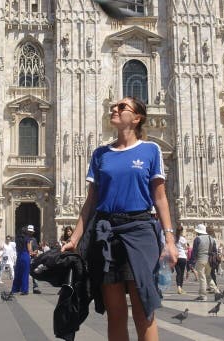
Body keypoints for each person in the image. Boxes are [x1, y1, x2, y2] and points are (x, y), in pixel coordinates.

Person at [62, 96, 178, 341]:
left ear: (137, 118)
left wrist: (169, 241)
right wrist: (74, 239)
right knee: (115, 313)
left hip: (140, 230)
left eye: (122, 107)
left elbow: (160, 198)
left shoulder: (150, 150)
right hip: (106, 233)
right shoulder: (101, 153)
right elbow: (91, 202)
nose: (115, 109)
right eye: (114, 106)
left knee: (143, 310)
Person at [189, 223, 219, 300]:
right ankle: (216, 291)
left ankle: (203, 295)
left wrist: (191, 262)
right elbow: (215, 251)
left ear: (198, 232)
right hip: (209, 261)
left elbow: (194, 252)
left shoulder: (197, 239)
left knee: (202, 277)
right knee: (208, 276)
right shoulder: (212, 239)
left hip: (201, 260)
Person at [174, 226, 188, 295]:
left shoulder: (174, 238)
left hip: (176, 257)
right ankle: (181, 288)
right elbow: (185, 247)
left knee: (178, 273)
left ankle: (178, 287)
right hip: (182, 257)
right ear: (182, 231)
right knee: (181, 273)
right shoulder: (183, 239)